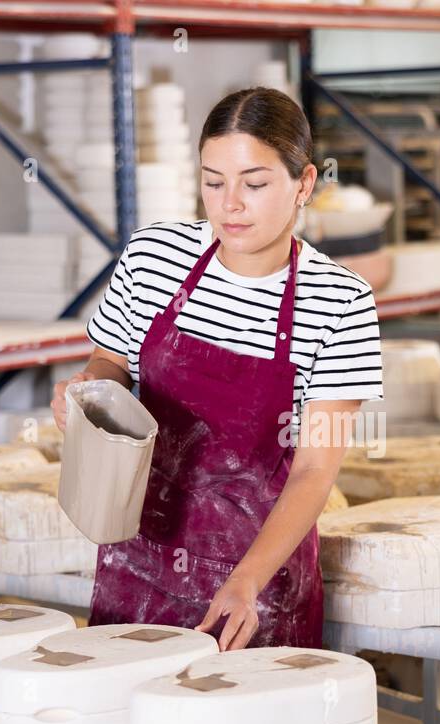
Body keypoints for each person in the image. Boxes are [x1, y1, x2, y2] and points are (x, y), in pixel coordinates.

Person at [52, 87, 383, 651]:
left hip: (255, 587)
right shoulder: (153, 256)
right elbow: (111, 361)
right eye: (213, 182)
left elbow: (314, 472)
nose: (230, 204)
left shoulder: (341, 303)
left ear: (303, 184)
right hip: (140, 560)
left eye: (254, 184)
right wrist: (89, 393)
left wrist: (246, 581)